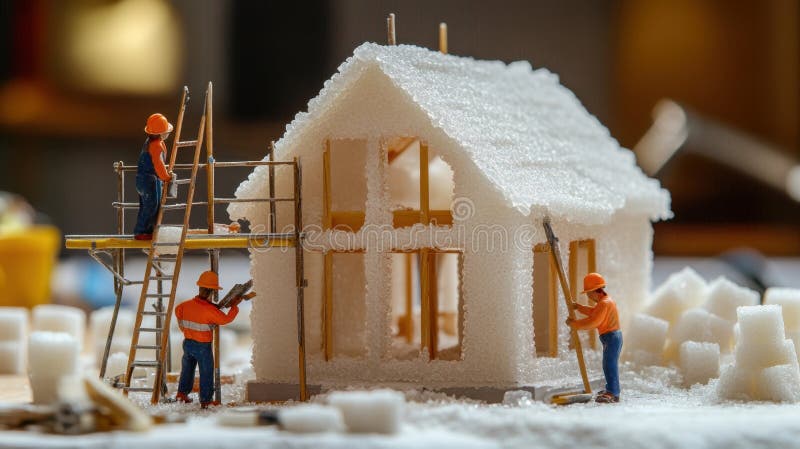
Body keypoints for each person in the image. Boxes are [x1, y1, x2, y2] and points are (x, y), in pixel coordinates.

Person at [174, 271, 241, 408]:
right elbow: (226, 319)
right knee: (206, 372)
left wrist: (185, 330)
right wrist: (234, 306)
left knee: (187, 369)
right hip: (202, 346)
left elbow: (178, 312)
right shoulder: (210, 311)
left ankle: (181, 394)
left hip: (187, 343)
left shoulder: (184, 305)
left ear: (199, 288)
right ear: (212, 291)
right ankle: (206, 401)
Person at [566, 273, 622, 403]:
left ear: (593, 291)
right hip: (611, 337)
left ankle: (613, 392)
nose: (587, 296)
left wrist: (575, 324)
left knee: (609, 365)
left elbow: (593, 322)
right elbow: (593, 312)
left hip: (611, 337)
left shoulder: (604, 304)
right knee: (608, 364)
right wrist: (579, 307)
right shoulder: (605, 302)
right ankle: (611, 389)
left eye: (588, 293)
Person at [134, 113, 174, 240]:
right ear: (161, 133)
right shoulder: (156, 146)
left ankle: (146, 230)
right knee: (151, 205)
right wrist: (166, 177)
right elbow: (158, 165)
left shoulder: (152, 142)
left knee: (147, 206)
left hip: (144, 179)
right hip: (149, 180)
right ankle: (142, 231)